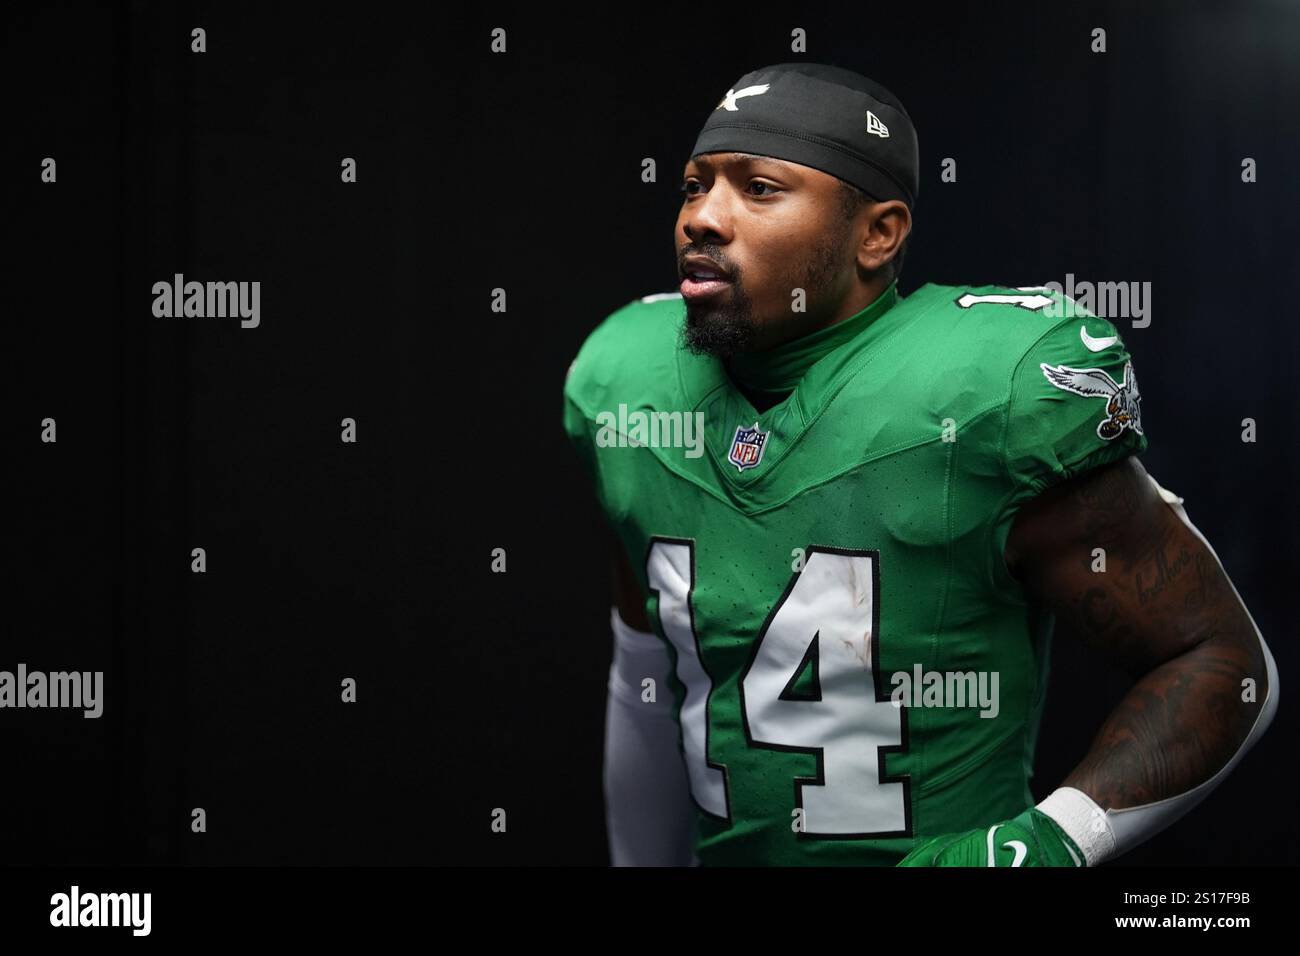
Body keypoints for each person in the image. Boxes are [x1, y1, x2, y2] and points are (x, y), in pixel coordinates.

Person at [561, 62, 1277, 866]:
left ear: (878, 234)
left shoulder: (985, 393)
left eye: (759, 188)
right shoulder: (627, 382)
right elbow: (647, 672)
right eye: (695, 186)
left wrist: (1044, 846)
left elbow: (1223, 660)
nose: (704, 218)